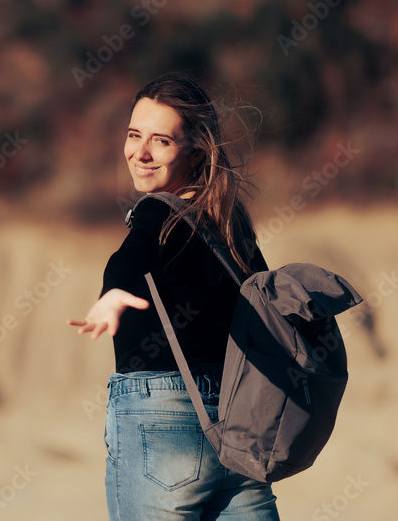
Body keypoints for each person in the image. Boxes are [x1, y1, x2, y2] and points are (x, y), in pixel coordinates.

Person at [67, 73, 281, 520]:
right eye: (133, 135)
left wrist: (112, 294)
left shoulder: (156, 211)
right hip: (237, 427)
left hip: (162, 422)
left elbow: (132, 252)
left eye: (160, 141)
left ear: (197, 149)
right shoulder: (231, 224)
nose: (140, 153)